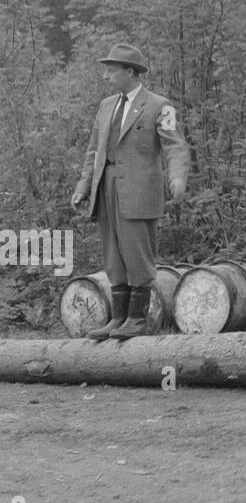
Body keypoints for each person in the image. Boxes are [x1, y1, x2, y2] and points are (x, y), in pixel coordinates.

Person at [70, 44, 191, 340]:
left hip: (139, 191)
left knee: (138, 254)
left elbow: (175, 145)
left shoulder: (161, 106)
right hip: (105, 186)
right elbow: (94, 151)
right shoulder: (106, 105)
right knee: (113, 255)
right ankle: (119, 318)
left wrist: (177, 178)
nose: (106, 76)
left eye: (111, 70)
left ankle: (138, 319)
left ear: (130, 72)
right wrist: (83, 186)